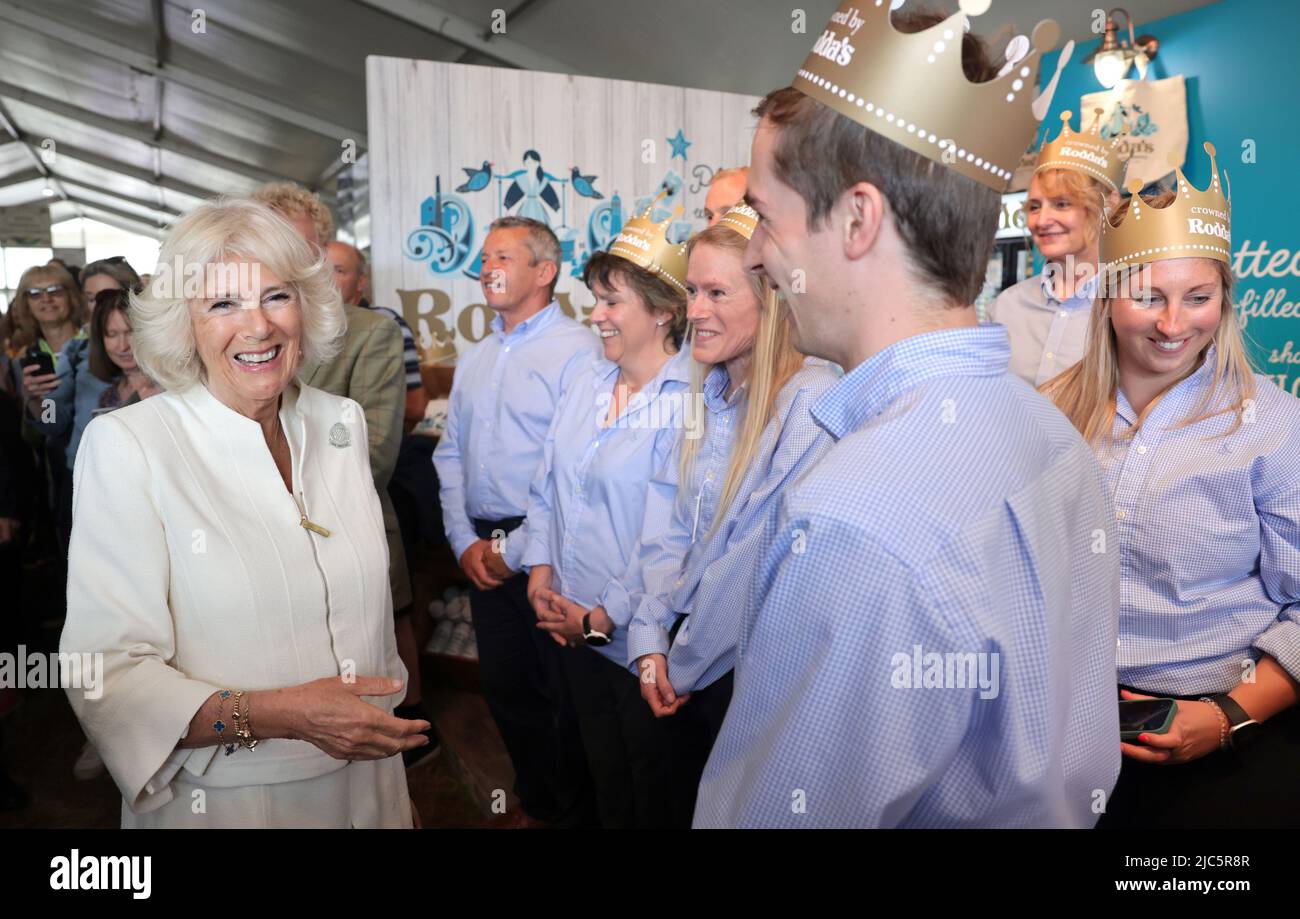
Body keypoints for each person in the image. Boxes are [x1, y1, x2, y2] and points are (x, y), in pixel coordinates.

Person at [693, 2, 1122, 828]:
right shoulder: (1051, 436)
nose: (751, 254)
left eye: (765, 217)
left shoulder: (856, 519)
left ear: (857, 219)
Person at [60, 198, 428, 827]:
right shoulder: (130, 447)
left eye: (276, 297)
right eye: (223, 304)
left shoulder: (337, 423)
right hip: (231, 804)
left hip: (369, 786)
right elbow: (107, 673)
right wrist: (283, 715)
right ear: (184, 323)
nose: (257, 327)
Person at [1042, 155, 1300, 828]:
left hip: (1216, 740)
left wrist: (1226, 716)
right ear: (1106, 294)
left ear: (1226, 299)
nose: (1173, 323)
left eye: (1198, 297)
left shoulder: (1271, 424)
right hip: (1056, 730)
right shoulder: (1048, 413)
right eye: (1148, 295)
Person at [622, 206, 837, 825]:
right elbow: (669, 526)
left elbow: (752, 560)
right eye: (692, 291)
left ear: (770, 296)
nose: (694, 311)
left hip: (745, 667)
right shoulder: (706, 391)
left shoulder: (809, 400)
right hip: (683, 654)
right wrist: (648, 635)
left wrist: (678, 663)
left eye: (717, 292)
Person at [522, 197, 690, 827]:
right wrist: (540, 571)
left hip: (641, 643)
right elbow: (546, 488)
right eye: (597, 299)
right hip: (569, 628)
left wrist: (598, 617)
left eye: (613, 302)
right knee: (600, 779)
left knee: (652, 791)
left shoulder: (690, 403)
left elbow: (671, 539)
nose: (597, 316)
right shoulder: (586, 383)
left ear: (665, 312)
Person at [433, 216, 598, 826]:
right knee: (507, 690)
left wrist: (516, 550)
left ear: (545, 271)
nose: (487, 268)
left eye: (502, 256)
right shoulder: (476, 357)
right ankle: (539, 803)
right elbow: (450, 453)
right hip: (483, 543)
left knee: (566, 693)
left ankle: (577, 814)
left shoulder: (579, 352)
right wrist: (464, 542)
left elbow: (573, 469)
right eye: (483, 257)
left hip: (551, 546)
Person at [251, 184, 429, 752]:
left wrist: (255, 493)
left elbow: (372, 455)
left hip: (349, 530)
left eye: (300, 246)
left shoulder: (368, 332)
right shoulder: (236, 333)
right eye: (267, 242)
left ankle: (401, 747)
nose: (286, 259)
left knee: (376, 664)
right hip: (260, 552)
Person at [28, 288, 161, 780]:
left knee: (153, 617)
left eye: (131, 331)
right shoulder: (85, 379)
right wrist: (40, 400)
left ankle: (162, 726)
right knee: (96, 617)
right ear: (100, 340)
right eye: (112, 334)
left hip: (155, 515)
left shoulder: (179, 382)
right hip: (86, 508)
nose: (123, 344)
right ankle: (100, 731)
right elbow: (50, 428)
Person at [987, 111, 1123, 385]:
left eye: (1062, 204)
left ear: (1106, 206)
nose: (1042, 220)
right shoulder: (1005, 309)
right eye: (1035, 207)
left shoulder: (1130, 306)